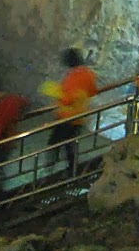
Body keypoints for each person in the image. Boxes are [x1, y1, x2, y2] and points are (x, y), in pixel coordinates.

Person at [42, 48, 99, 178]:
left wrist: (53, 90)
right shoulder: (88, 74)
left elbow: (67, 99)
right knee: (69, 145)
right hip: (80, 116)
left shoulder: (73, 76)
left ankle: (49, 170)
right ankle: (72, 170)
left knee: (54, 143)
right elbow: (93, 91)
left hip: (67, 117)